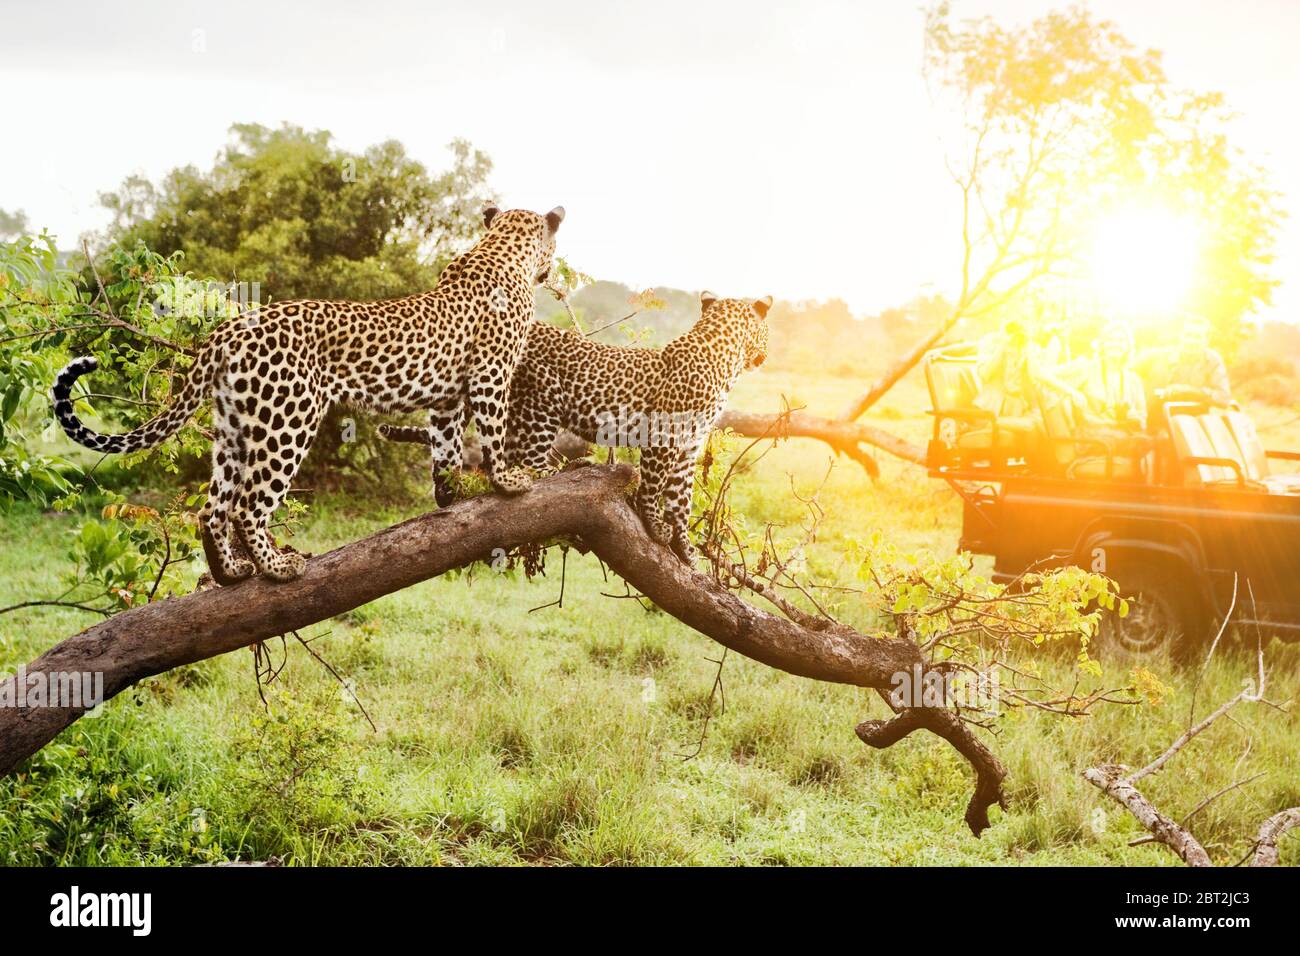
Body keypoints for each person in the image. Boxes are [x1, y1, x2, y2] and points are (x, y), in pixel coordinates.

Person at [1140, 313, 1232, 410]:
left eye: (1197, 337)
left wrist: (1189, 391)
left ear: (1206, 340)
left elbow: (1224, 398)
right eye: (1188, 335)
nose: (1191, 341)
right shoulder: (1157, 356)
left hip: (1195, 421)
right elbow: (1127, 373)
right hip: (1157, 417)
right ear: (1180, 336)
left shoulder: (1212, 360)